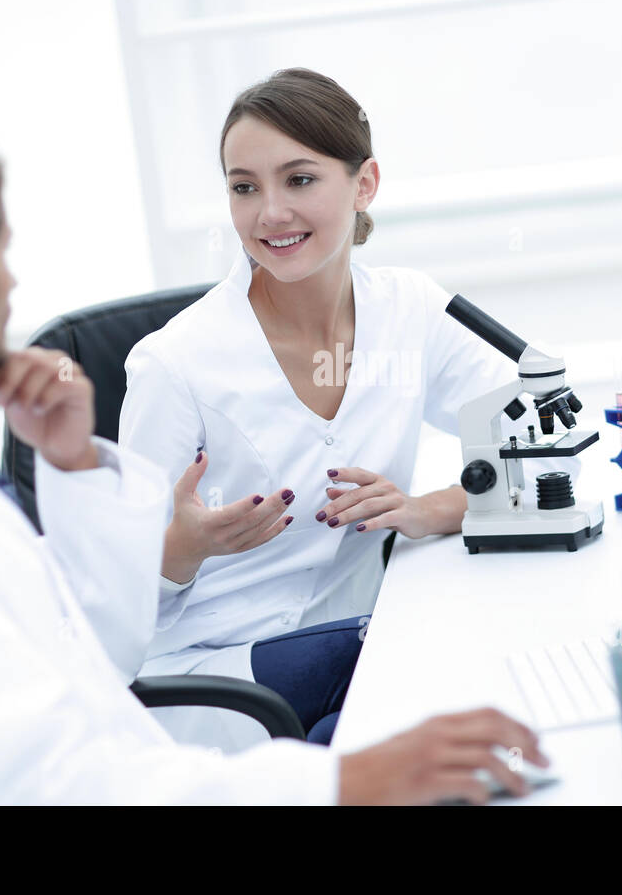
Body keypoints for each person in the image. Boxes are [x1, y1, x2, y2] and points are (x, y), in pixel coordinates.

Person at [0, 122, 547, 804]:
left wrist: (76, 469)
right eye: (4, 254)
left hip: (163, 760)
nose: (15, 280)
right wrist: (341, 782)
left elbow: (96, 651)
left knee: (428, 705)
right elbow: (45, 787)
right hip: (161, 768)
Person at [120, 69, 577, 749]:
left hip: (361, 642)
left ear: (364, 185)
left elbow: (547, 438)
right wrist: (181, 549)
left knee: (446, 708)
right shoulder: (176, 365)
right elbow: (114, 606)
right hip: (215, 678)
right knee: (420, 723)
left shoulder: (409, 310)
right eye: (244, 187)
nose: (268, 212)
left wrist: (429, 509)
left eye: (299, 180)